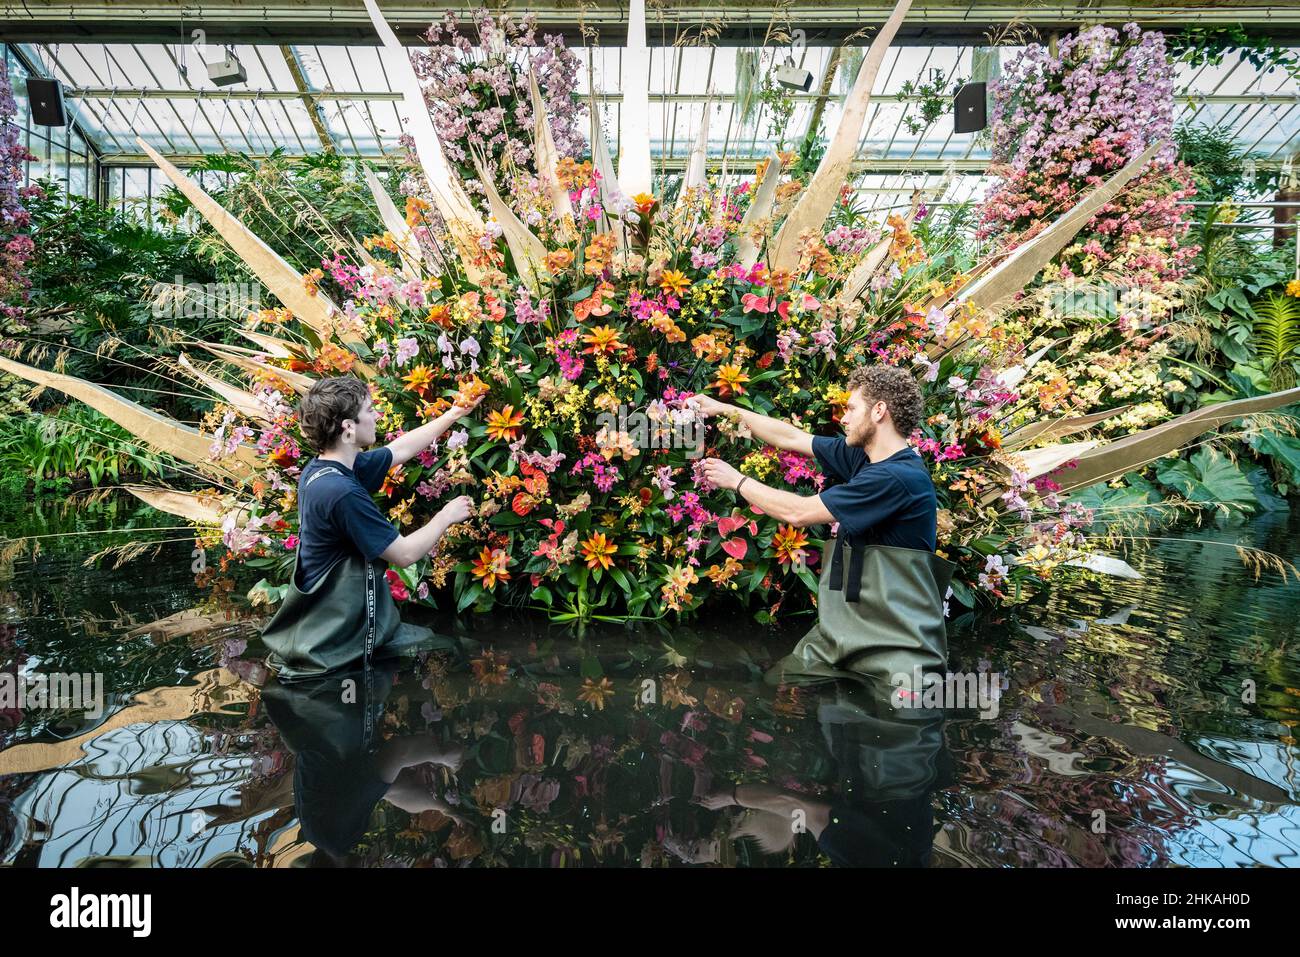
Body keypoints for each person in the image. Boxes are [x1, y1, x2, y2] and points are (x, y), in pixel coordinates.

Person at [696, 364, 955, 684]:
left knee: (898, 727)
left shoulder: (896, 477)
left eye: (851, 408)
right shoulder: (865, 457)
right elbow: (791, 437)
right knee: (779, 684)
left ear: (878, 411)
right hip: (846, 627)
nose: (844, 417)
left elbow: (799, 513)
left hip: (901, 643)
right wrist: (724, 408)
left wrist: (737, 481)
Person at [260, 376, 479, 680]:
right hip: (337, 635)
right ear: (349, 427)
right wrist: (446, 515)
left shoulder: (323, 470)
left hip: (326, 621)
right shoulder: (341, 492)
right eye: (370, 409)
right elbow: (403, 555)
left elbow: (398, 451)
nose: (377, 415)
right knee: (445, 649)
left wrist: (452, 414)